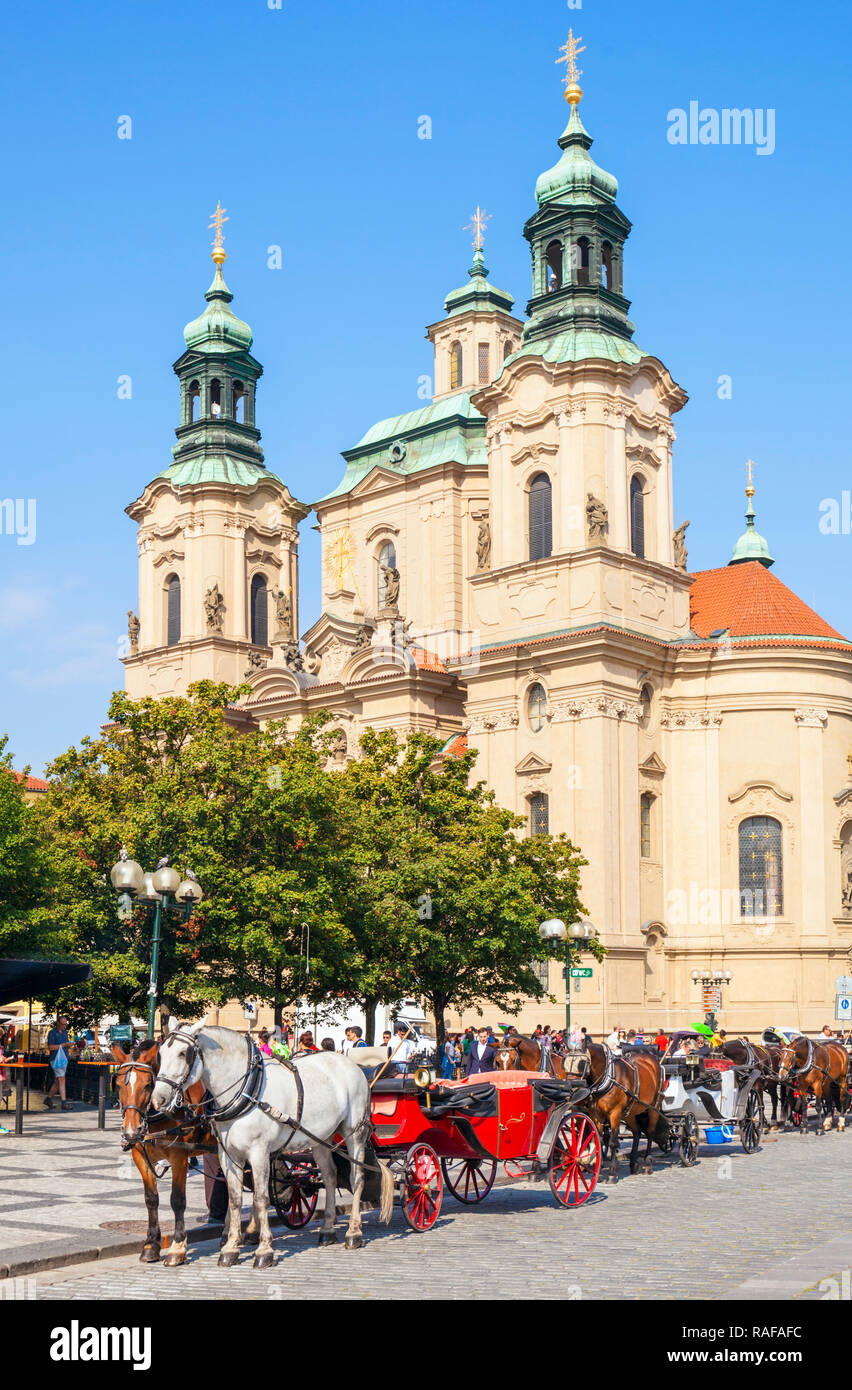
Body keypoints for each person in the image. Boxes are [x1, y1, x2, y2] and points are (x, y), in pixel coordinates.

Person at [45, 1014, 71, 1111]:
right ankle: (64, 1102)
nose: (64, 1026)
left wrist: (69, 1045)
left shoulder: (65, 1032)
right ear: (58, 1023)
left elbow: (66, 1045)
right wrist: (63, 1045)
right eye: (63, 1024)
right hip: (55, 1059)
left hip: (63, 1058)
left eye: (65, 1024)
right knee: (62, 1079)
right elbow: (51, 1047)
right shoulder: (52, 1033)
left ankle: (48, 1099)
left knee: (58, 1081)